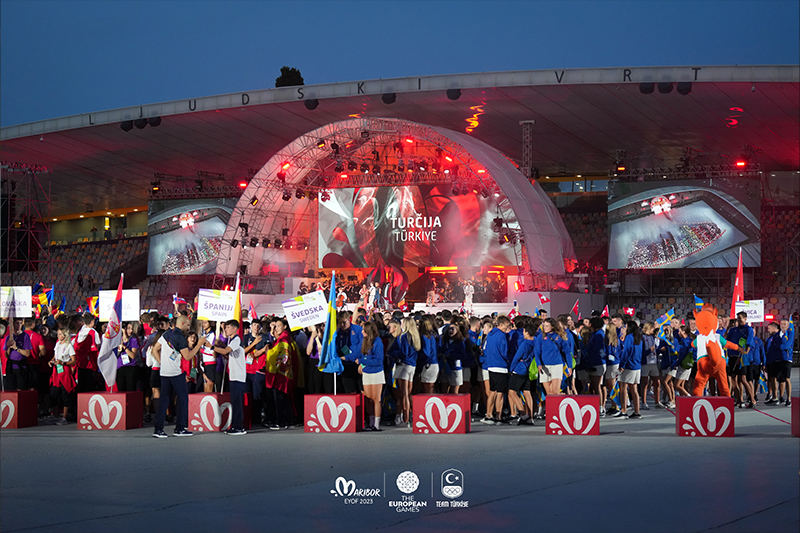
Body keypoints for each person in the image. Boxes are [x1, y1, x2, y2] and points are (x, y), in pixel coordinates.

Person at [153, 316, 202, 438]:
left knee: (164, 401)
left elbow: (154, 350)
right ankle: (180, 428)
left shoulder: (166, 334)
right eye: (188, 325)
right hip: (176, 373)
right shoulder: (180, 337)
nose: (189, 327)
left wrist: (162, 363)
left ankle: (158, 429)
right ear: (183, 323)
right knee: (182, 399)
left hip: (164, 373)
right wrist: (199, 344)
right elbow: (188, 356)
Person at [214, 320, 247, 435]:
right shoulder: (232, 341)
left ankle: (239, 427)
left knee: (237, 403)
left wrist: (212, 347)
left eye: (228, 327)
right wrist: (221, 345)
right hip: (234, 376)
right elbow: (229, 354)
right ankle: (235, 425)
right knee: (234, 402)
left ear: (234, 328)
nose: (226, 329)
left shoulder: (236, 340)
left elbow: (225, 351)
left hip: (238, 376)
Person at [265, 318, 298, 430]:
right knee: (284, 397)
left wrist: (268, 353)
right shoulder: (282, 338)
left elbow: (278, 355)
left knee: (280, 397)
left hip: (281, 373)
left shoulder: (284, 339)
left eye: (278, 326)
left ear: (284, 326)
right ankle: (288, 420)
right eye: (275, 326)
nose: (276, 328)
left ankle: (282, 421)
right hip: (284, 373)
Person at [390, 317, 420, 428]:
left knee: (403, 394)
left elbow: (403, 353)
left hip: (403, 365)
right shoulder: (415, 336)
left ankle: (405, 419)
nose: (400, 324)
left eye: (402, 323)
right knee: (408, 393)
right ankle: (410, 417)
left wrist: (392, 353)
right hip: (412, 366)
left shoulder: (404, 337)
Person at [484, 315, 513, 424]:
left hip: (491, 366)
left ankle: (488, 414)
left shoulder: (490, 335)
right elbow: (504, 352)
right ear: (501, 324)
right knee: (500, 393)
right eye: (507, 325)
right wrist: (510, 359)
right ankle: (498, 416)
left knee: (492, 391)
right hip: (501, 367)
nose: (508, 327)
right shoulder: (501, 336)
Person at [357, 321, 385, 431]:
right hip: (367, 373)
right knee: (368, 399)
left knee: (376, 399)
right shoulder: (364, 341)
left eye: (364, 330)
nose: (362, 332)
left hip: (377, 372)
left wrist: (362, 361)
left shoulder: (378, 342)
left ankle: (377, 424)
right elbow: (359, 354)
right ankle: (371, 422)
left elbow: (378, 360)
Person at [509, 323, 536, 425]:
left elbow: (517, 356)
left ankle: (524, 414)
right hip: (529, 369)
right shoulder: (535, 342)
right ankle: (531, 416)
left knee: (511, 392)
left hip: (520, 369)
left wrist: (512, 368)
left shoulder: (525, 344)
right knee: (527, 392)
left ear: (527, 332)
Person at [49, 327, 76, 425]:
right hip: (56, 370)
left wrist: (64, 363)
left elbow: (73, 360)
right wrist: (52, 361)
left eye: (60, 334)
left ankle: (64, 417)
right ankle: (56, 415)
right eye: (58, 334)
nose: (58, 336)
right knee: (54, 393)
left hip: (64, 370)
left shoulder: (69, 346)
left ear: (65, 335)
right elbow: (56, 356)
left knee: (65, 393)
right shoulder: (57, 344)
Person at [616, 320, 643, 419]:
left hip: (629, 366)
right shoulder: (639, 338)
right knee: (634, 389)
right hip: (637, 366)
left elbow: (626, 352)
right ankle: (637, 411)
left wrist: (622, 364)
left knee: (623, 388)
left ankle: (623, 411)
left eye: (626, 327)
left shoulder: (629, 337)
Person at [583, 317, 606, 414]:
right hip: (593, 361)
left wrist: (590, 363)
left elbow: (595, 351)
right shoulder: (594, 334)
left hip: (597, 362)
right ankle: (595, 405)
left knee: (597, 386)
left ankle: (600, 407)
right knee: (592, 386)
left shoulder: (599, 335)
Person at [3, 318, 32, 390]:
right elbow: (6, 355)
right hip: (11, 367)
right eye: (17, 323)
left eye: (20, 323)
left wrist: (17, 348)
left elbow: (27, 353)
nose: (19, 325)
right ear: (13, 324)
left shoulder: (25, 336)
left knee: (20, 389)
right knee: (11, 390)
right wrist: (9, 347)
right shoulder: (8, 337)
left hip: (21, 367)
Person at [639, 322, 660, 410]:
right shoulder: (642, 338)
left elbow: (655, 348)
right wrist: (649, 351)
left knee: (657, 382)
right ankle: (644, 402)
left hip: (654, 362)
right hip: (645, 363)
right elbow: (641, 352)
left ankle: (657, 402)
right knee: (645, 383)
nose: (653, 330)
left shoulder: (652, 337)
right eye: (652, 328)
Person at [116, 322, 141, 392]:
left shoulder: (133, 340)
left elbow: (133, 355)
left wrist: (124, 347)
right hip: (120, 367)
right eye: (128, 329)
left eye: (132, 329)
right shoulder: (118, 340)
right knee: (121, 389)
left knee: (130, 389)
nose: (131, 331)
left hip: (131, 367)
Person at [418, 317, 439, 393]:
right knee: (431, 389)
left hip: (428, 364)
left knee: (427, 390)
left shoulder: (425, 336)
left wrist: (418, 355)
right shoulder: (433, 335)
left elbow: (426, 353)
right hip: (433, 363)